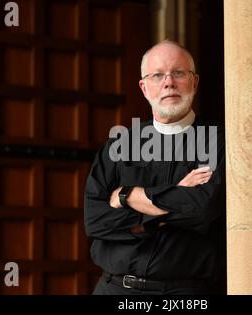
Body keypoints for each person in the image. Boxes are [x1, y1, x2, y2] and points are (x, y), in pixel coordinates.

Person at [84, 40, 226, 295]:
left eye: (178, 73)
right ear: (144, 88)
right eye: (158, 75)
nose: (168, 82)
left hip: (185, 294)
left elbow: (201, 209)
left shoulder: (218, 141)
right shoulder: (119, 145)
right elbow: (96, 220)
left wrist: (128, 195)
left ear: (194, 82)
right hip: (115, 289)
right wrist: (174, 198)